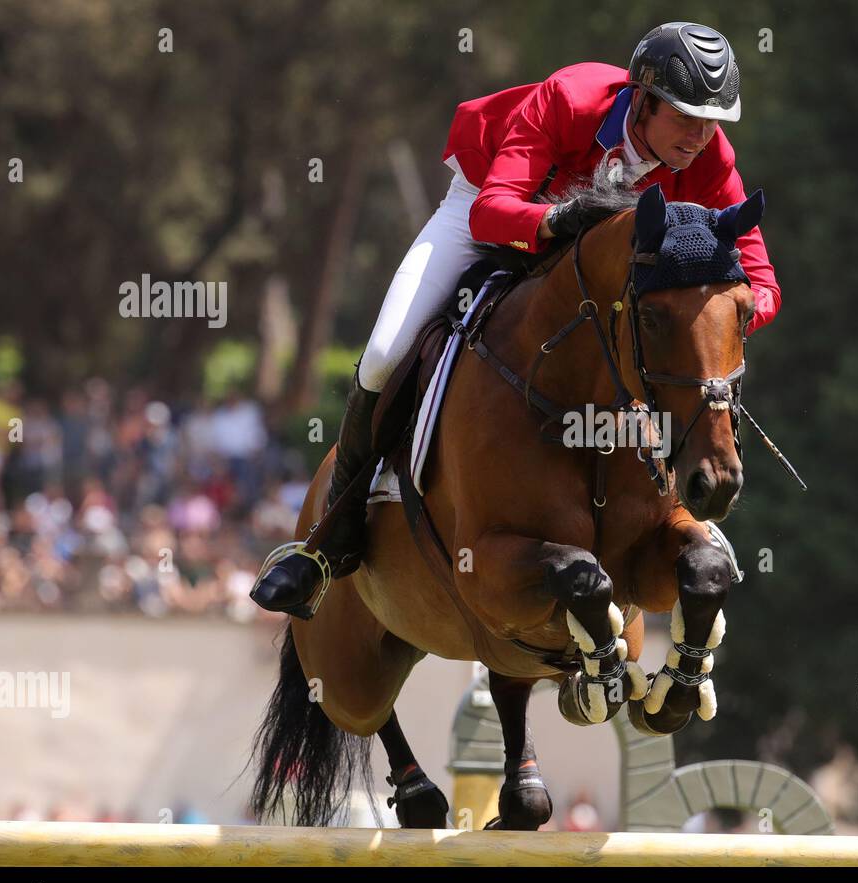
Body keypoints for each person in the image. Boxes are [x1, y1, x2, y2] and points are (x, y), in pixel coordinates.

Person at [251, 21, 783, 619]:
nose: (699, 136)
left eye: (712, 121)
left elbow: (762, 286)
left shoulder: (709, 156)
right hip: (496, 209)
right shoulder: (570, 100)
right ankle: (332, 535)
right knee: (383, 352)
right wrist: (559, 220)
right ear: (644, 99)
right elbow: (492, 210)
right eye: (686, 117)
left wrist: (719, 321)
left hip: (586, 257)